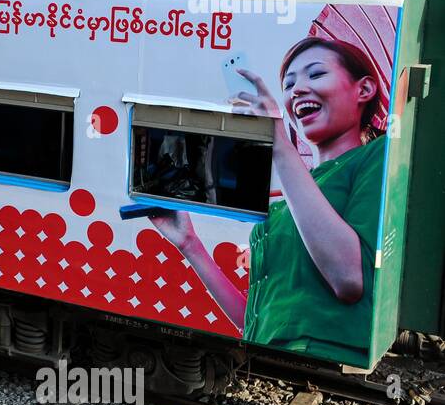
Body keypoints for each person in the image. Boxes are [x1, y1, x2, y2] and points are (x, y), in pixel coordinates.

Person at [148, 38, 386, 366]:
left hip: (326, 357)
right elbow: (254, 322)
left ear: (365, 89)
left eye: (315, 75)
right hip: (274, 355)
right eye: (289, 84)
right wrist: (191, 246)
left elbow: (349, 280)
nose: (297, 89)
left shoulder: (377, 157)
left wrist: (276, 142)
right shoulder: (291, 198)